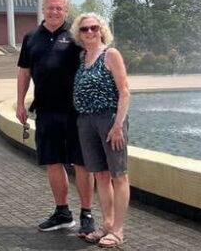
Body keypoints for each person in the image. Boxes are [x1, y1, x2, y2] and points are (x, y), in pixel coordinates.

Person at [16, 0, 95, 236]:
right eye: (50, 8)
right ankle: (62, 213)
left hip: (76, 111)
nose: (54, 12)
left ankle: (87, 214)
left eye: (59, 8)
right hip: (46, 110)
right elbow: (24, 72)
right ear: (42, 9)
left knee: (81, 162)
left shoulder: (76, 35)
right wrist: (20, 103)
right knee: (53, 161)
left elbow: (94, 60)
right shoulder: (31, 37)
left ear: (66, 11)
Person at [70, 13, 130, 248]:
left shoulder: (110, 54)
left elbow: (124, 91)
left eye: (94, 28)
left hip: (109, 120)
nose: (90, 32)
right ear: (79, 34)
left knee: (119, 175)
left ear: (102, 30)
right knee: (101, 175)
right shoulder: (83, 56)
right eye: (85, 29)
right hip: (86, 121)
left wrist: (118, 125)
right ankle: (106, 224)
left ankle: (118, 230)